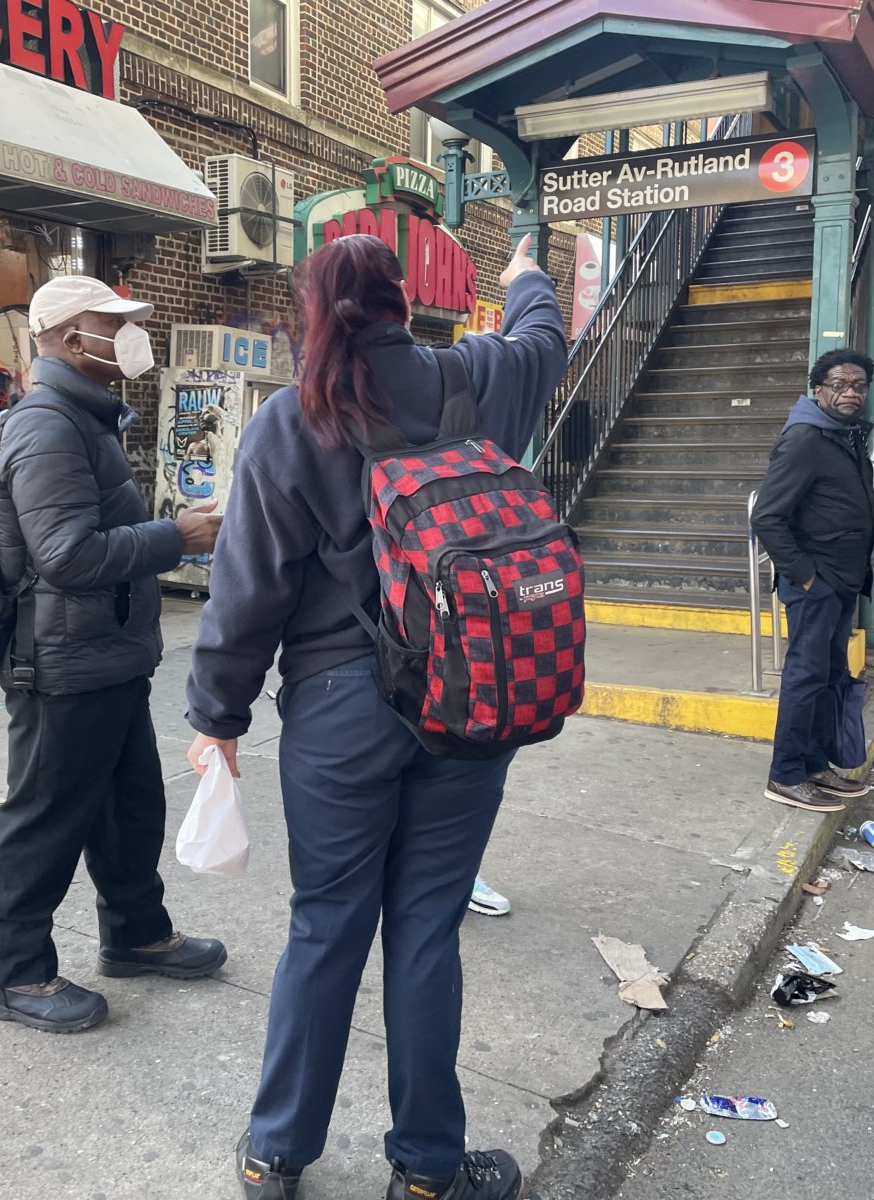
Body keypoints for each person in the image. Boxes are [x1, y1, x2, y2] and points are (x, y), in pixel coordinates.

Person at [185, 233, 567, 1200]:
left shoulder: (289, 420)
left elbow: (247, 593)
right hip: (474, 693)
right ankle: (431, 1170)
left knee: (325, 927)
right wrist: (526, 275)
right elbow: (545, 338)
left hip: (339, 708)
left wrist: (216, 713)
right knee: (428, 928)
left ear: (312, 309)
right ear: (404, 300)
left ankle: (276, 1156)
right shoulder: (477, 378)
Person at [0, 276, 225, 1034]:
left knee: (129, 808)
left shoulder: (86, 418)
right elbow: (66, 555)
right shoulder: (48, 426)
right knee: (44, 819)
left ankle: (135, 933)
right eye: (109, 321)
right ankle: (15, 975)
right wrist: (174, 538)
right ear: (64, 336)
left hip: (106, 654)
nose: (126, 334)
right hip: (61, 662)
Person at [751, 349, 874, 814]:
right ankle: (785, 775)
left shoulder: (844, 436)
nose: (851, 393)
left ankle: (815, 764)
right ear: (819, 389)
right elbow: (768, 515)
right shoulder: (805, 439)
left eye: (859, 385)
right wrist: (806, 576)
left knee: (830, 675)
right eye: (841, 384)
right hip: (818, 582)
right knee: (805, 677)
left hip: (844, 579)